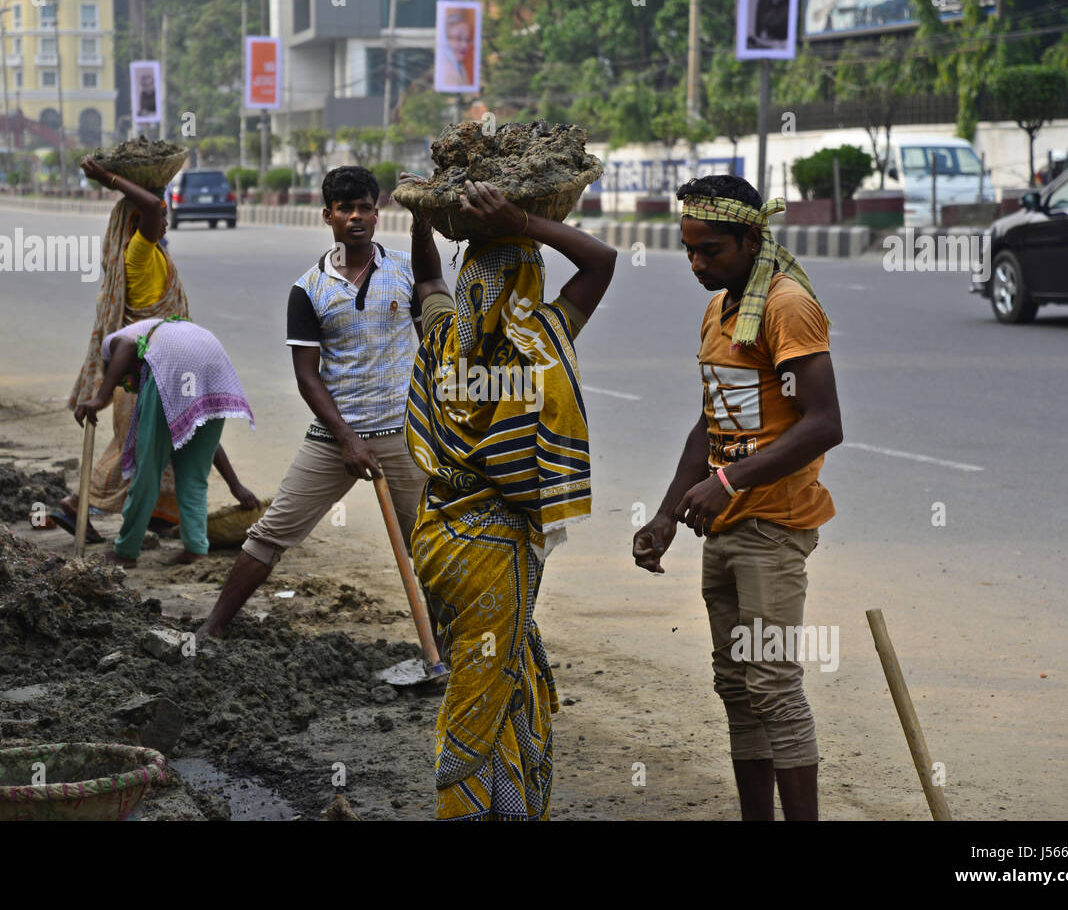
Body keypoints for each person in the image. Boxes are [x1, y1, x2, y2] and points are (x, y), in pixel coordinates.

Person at [402, 176, 616, 821]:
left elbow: (428, 284)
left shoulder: (443, 340)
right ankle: (465, 811)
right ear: (527, 288)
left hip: (438, 540)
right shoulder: (538, 342)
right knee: (479, 687)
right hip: (495, 547)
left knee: (492, 670)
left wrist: (421, 222)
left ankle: (507, 805)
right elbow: (601, 261)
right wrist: (524, 221)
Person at [632, 174, 842, 821]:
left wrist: (725, 483)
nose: (697, 263)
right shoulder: (720, 306)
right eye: (689, 249)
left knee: (774, 687)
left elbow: (823, 422)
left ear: (751, 240)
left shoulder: (785, 305)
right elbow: (711, 422)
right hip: (724, 530)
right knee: (737, 687)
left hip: (773, 527)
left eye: (711, 251)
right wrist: (668, 513)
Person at [196, 166, 431, 638]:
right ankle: (212, 629)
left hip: (403, 436)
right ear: (328, 216)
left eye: (366, 207)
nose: (357, 217)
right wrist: (347, 439)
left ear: (377, 213)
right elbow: (307, 378)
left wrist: (423, 216)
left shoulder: (405, 271)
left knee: (429, 549)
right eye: (346, 208)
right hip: (333, 440)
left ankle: (447, 650)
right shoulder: (308, 289)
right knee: (269, 534)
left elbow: (432, 324)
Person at [61, 155, 190, 541]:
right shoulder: (138, 252)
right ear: (137, 222)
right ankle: (76, 504)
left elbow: (153, 205)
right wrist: (108, 177)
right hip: (144, 369)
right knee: (134, 446)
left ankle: (159, 516)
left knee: (146, 442)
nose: (164, 216)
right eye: (159, 211)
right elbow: (151, 205)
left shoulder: (150, 254)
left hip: (152, 365)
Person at [74, 317, 257, 567]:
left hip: (174, 368)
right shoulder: (163, 333)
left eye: (125, 381)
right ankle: (196, 549)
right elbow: (202, 437)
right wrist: (235, 486)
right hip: (216, 367)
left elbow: (126, 347)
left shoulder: (113, 343)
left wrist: (99, 398)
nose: (129, 386)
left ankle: (125, 551)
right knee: (194, 473)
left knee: (147, 472)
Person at [436, 10, 475, 88]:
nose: (464, 45)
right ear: (446, 40)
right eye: (458, 38)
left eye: (468, 40)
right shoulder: (446, 71)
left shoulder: (460, 67)